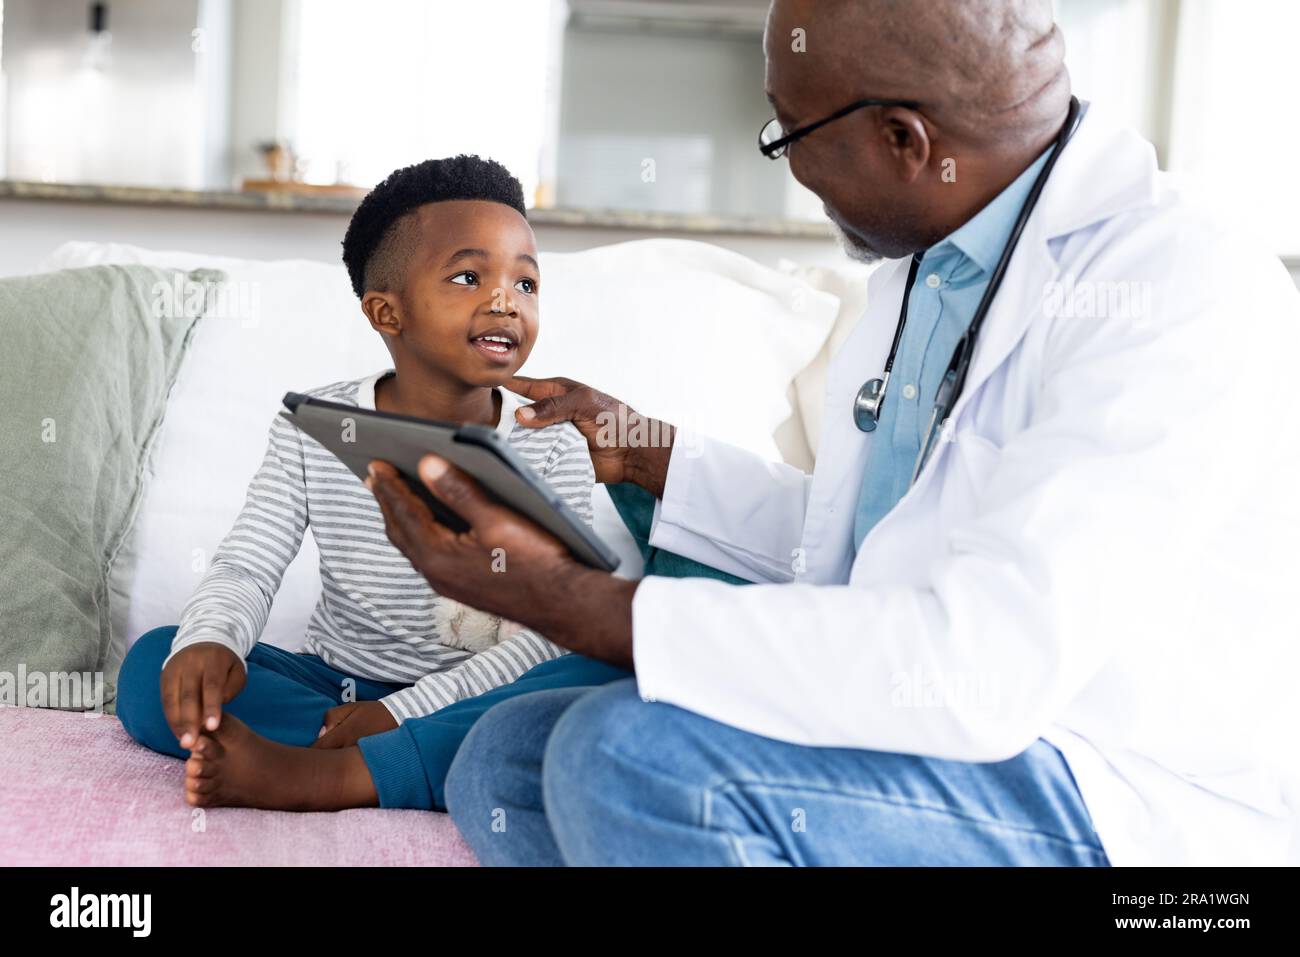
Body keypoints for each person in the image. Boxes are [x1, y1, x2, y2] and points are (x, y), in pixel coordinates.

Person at [362, 0, 1300, 865]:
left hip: (1117, 795)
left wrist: (570, 600)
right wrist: (658, 453)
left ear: (904, 139)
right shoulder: (939, 268)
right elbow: (875, 555)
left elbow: (976, 666)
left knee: (633, 760)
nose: (793, 162)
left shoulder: (1176, 292)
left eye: (789, 131)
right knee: (508, 758)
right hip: (963, 733)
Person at [115, 154, 623, 812]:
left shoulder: (552, 437)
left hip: (479, 693)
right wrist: (211, 640)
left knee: (599, 673)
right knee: (153, 666)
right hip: (334, 687)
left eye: (526, 284)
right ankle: (396, 760)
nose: (505, 301)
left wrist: (406, 712)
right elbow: (249, 559)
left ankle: (337, 768)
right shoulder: (315, 426)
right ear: (387, 312)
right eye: (470, 276)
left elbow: (552, 630)